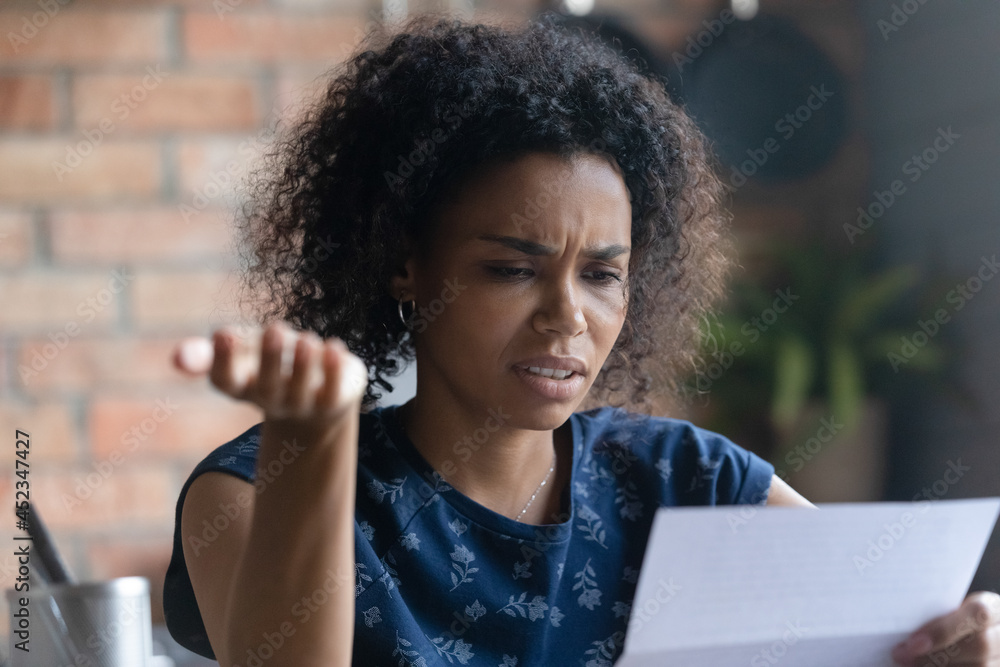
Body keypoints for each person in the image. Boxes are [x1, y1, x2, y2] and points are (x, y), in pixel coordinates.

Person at [161, 12, 1000, 667]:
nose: (568, 316)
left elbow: (889, 623)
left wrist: (953, 642)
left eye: (601, 274)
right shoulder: (252, 493)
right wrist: (312, 444)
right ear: (404, 265)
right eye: (511, 269)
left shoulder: (691, 483)